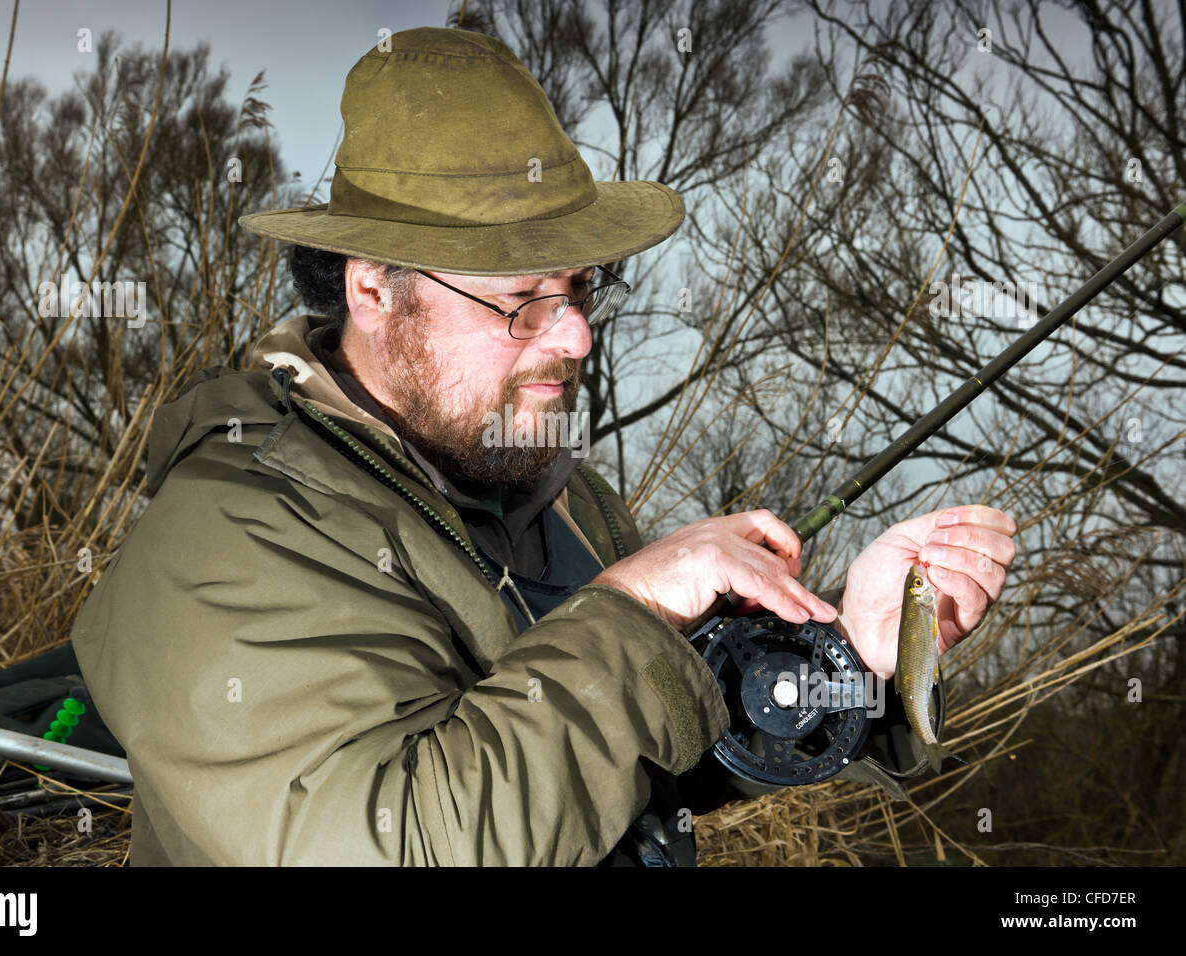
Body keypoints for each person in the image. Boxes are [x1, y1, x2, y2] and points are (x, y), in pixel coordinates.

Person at [70, 26, 1017, 866]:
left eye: (580, 291)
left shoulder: (566, 503)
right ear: (372, 289)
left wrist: (850, 658)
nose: (576, 339)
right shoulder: (228, 533)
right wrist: (632, 610)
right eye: (522, 300)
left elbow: (613, 772)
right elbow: (399, 845)